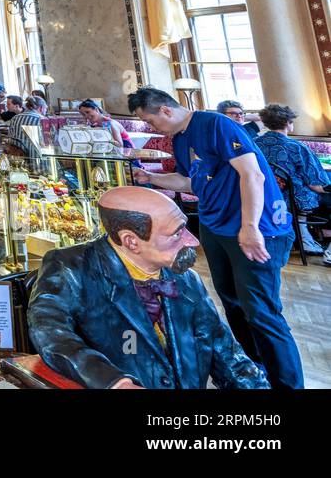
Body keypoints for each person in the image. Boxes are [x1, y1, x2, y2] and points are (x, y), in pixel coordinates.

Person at [128, 86, 301, 389]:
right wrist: (151, 178)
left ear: (166, 110)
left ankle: (287, 384)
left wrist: (249, 227)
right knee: (233, 305)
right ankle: (253, 373)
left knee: (262, 313)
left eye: (151, 122)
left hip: (253, 228)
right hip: (215, 227)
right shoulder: (180, 139)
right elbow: (190, 182)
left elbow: (252, 175)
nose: (151, 129)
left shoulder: (216, 124)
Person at [28, 186, 266, 389]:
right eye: (176, 234)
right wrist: (114, 382)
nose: (193, 241)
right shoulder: (71, 268)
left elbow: (227, 353)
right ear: (131, 241)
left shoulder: (187, 280)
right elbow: (49, 332)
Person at [253, 103, 330, 259]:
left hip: (262, 194)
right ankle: (313, 236)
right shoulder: (296, 147)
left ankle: (306, 234)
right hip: (294, 197)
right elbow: (316, 183)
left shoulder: (254, 143)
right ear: (288, 123)